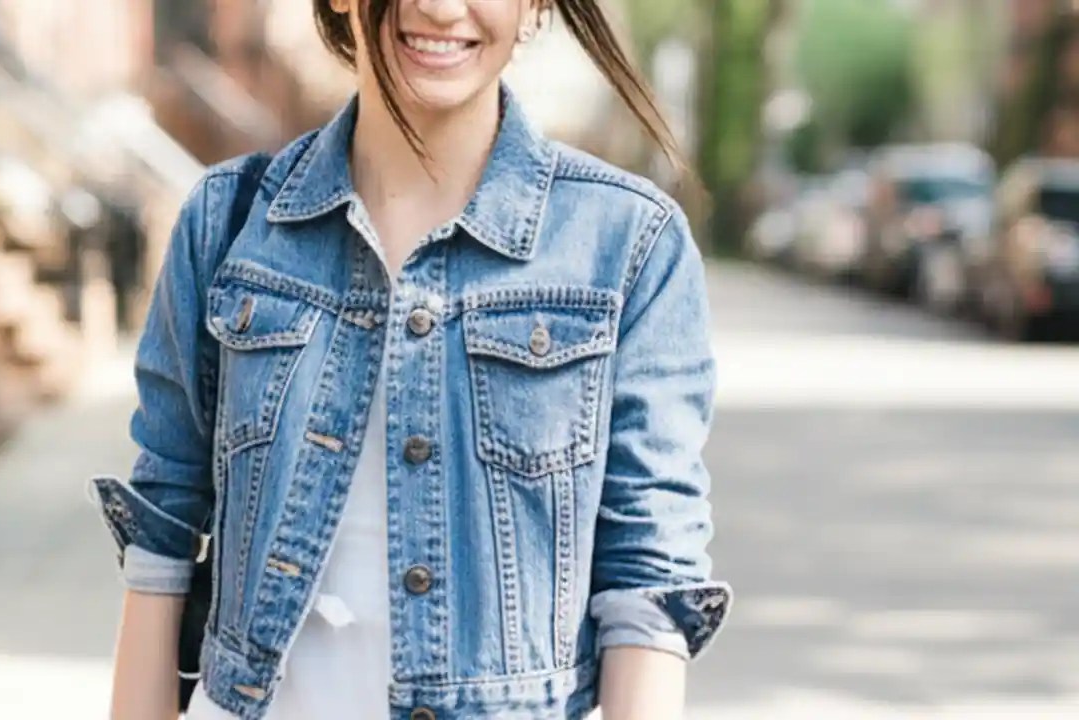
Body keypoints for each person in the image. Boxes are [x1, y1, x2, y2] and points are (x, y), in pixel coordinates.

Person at [88, 1, 731, 718]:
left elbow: (647, 586)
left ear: (537, 7)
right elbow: (160, 540)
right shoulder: (229, 222)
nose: (440, 7)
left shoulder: (627, 246)